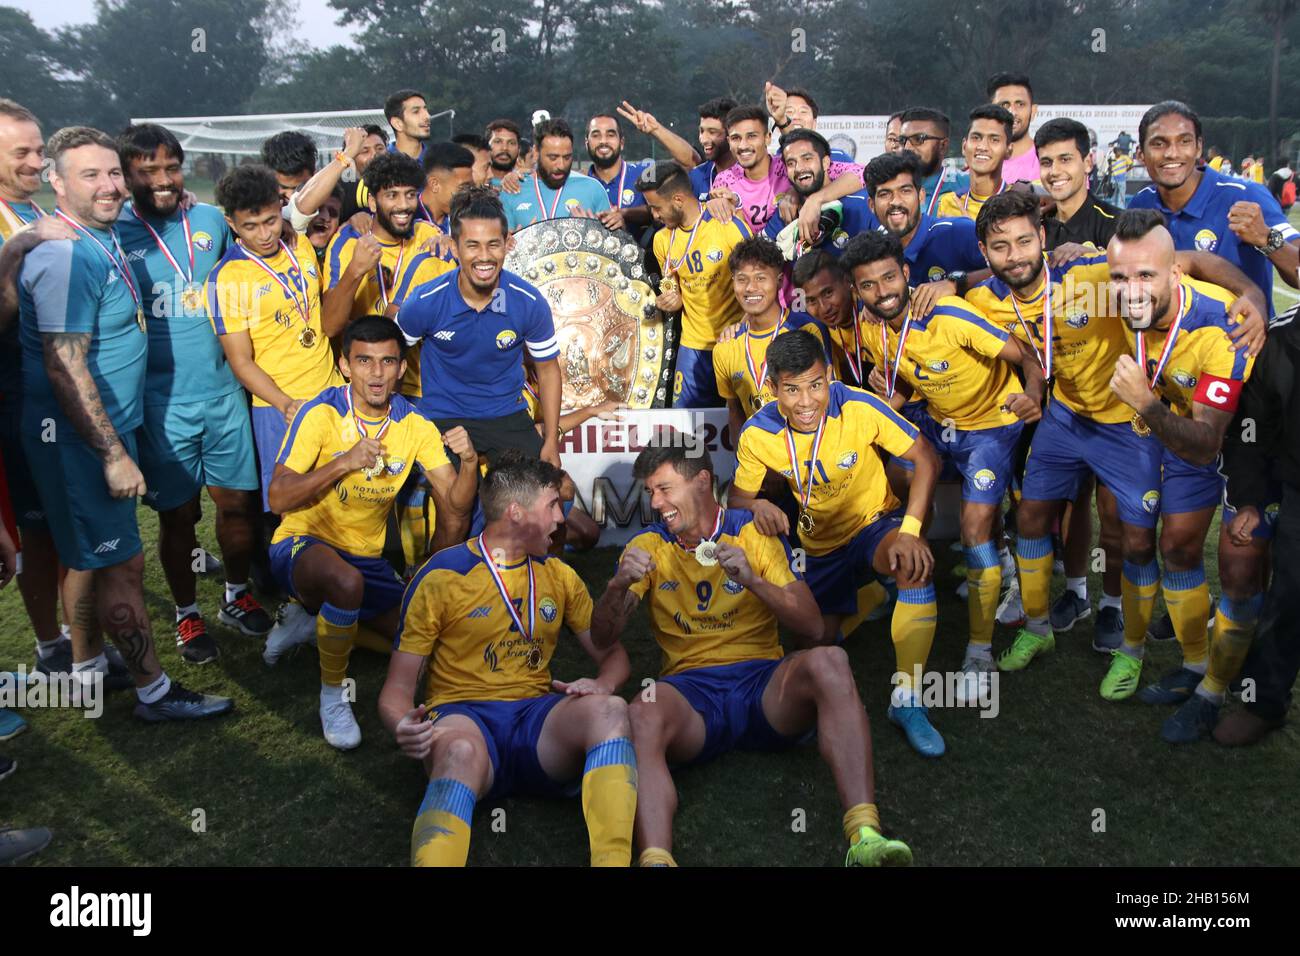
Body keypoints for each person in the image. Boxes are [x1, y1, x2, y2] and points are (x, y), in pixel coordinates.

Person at [963, 192, 1266, 693]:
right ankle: (1038, 630)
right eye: (1000, 246)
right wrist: (941, 286)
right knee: (1033, 517)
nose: (1014, 255)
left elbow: (1189, 260)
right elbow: (977, 294)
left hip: (1130, 425)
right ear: (985, 251)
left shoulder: (1096, 276)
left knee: (1140, 540)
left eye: (1024, 241)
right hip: (1063, 417)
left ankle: (1132, 648)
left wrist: (1254, 296)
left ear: (1042, 238)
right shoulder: (986, 300)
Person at [590, 441, 912, 867]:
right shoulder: (648, 545)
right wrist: (616, 587)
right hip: (691, 693)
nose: (657, 503)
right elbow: (602, 637)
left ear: (702, 481)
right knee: (643, 711)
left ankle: (865, 835)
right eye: (651, 492)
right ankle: (656, 859)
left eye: (665, 489)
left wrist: (754, 581)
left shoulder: (752, 531)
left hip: (763, 686)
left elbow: (814, 627)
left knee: (830, 660)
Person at [17, 127, 232, 720]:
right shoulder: (65, 255)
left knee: (90, 557)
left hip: (99, 429)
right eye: (91, 175)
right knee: (122, 563)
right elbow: (66, 363)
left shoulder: (98, 236)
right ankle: (154, 692)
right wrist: (112, 453)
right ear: (57, 182)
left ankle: (86, 670)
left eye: (114, 173)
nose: (110, 185)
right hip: (82, 438)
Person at [380, 453, 637, 867]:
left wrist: (603, 685)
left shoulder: (559, 575)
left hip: (537, 723)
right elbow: (395, 691)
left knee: (610, 710)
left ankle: (613, 861)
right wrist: (401, 724)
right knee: (460, 752)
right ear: (516, 513)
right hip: (463, 719)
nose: (561, 518)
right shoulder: (442, 576)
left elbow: (614, 658)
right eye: (553, 505)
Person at [844, 231, 1044, 701]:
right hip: (938, 420)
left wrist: (1033, 395)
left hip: (991, 427)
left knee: (975, 529)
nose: (883, 291)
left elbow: (1028, 353)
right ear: (858, 291)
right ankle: (909, 576)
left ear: (906, 274)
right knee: (892, 473)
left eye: (889, 278)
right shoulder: (871, 325)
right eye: (868, 285)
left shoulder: (950, 315)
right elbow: (910, 381)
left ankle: (978, 650)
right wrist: (883, 396)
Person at [726, 330, 946, 757]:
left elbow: (925, 458)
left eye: (815, 385)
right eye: (791, 389)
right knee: (815, 642)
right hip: (818, 544)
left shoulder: (858, 404)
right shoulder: (757, 434)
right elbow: (738, 499)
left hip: (873, 523)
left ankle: (907, 699)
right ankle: (867, 597)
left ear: (828, 377)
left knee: (911, 565)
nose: (806, 402)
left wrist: (911, 529)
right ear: (772, 389)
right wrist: (756, 508)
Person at [267, 317, 478, 749]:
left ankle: (313, 624)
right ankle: (333, 696)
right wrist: (343, 462)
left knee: (425, 646)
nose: (376, 374)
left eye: (387, 362)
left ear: (403, 368)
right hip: (302, 543)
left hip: (366, 558)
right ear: (345, 366)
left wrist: (470, 463)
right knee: (346, 583)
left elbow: (454, 505)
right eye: (364, 362)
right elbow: (279, 498)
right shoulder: (320, 412)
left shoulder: (415, 424)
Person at [115, 123, 269, 664]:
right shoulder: (115, 231)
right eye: (148, 169)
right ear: (127, 172)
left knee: (237, 506)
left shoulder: (207, 219)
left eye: (170, 167)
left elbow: (258, 249)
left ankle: (235, 593)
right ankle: (186, 615)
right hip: (162, 404)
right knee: (179, 517)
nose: (162, 179)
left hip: (226, 392)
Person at [1105, 210, 1254, 742]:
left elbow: (1208, 441)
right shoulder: (1122, 294)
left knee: (1232, 567)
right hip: (1169, 424)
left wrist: (1145, 403)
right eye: (1119, 278)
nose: (1131, 291)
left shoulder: (1220, 327)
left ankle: (1215, 692)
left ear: (1175, 276)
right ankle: (1192, 665)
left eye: (1146, 276)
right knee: (1171, 547)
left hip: (1241, 446)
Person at [208, 164, 346, 513]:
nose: (264, 234)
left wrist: (345, 158)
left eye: (270, 221)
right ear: (232, 225)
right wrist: (285, 404)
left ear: (279, 207)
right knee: (291, 507)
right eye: (250, 227)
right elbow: (240, 361)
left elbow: (310, 198)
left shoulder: (297, 243)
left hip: (331, 394)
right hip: (279, 409)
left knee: (342, 498)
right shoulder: (226, 278)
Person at [395, 186, 563, 467]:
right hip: (443, 417)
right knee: (453, 503)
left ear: (508, 243)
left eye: (493, 244)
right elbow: (389, 357)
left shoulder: (529, 302)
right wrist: (397, 420)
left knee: (545, 496)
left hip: (506, 415)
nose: (484, 256)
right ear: (454, 247)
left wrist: (550, 443)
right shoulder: (426, 301)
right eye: (472, 245)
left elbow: (548, 370)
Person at [1213, 305, 1299, 746]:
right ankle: (1264, 701)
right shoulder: (1281, 340)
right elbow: (1251, 432)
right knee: (1289, 594)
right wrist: (1249, 499)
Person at [1130, 101, 1299, 312]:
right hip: (1167, 342)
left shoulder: (1245, 195)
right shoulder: (1140, 204)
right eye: (1158, 144)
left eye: (1184, 141)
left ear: (1198, 147)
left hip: (1240, 342)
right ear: (1141, 154)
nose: (1172, 153)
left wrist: (1266, 238)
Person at [636, 160, 751, 409]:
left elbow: (758, 284)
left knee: (738, 420)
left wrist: (742, 329)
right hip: (692, 348)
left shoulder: (727, 226)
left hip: (733, 341)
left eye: (656, 208)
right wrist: (671, 299)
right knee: (686, 428)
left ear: (678, 200)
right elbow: (670, 284)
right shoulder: (661, 240)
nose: (654, 215)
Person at [712, 236, 828, 436]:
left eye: (760, 278)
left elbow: (828, 395)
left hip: (810, 450)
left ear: (780, 281)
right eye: (742, 279)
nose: (750, 288)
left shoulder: (807, 330)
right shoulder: (725, 347)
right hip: (761, 457)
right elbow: (735, 412)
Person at [863, 152, 986, 309]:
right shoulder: (875, 252)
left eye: (905, 190)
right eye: (885, 194)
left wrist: (956, 284)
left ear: (921, 196)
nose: (895, 201)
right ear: (871, 205)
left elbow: (1008, 270)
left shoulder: (957, 231)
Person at [762, 129, 878, 259]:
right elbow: (756, 257)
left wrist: (815, 200)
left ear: (825, 162)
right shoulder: (786, 209)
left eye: (807, 158)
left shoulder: (862, 205)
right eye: (791, 163)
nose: (799, 168)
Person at [498, 118, 611, 231]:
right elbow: (502, 244)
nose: (561, 165)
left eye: (567, 157)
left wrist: (593, 231)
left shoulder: (593, 189)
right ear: (536, 152)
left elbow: (612, 242)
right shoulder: (512, 190)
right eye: (553, 158)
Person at [1035, 117, 1121, 249]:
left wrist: (1096, 258)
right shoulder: (1032, 227)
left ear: (1088, 163)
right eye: (1046, 163)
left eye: (1065, 160)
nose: (1054, 171)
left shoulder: (1116, 224)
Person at [937, 105, 1013, 221]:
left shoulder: (1018, 202)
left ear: (1009, 150)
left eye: (994, 140)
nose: (982, 147)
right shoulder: (949, 203)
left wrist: (969, 230)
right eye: (976, 137)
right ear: (964, 146)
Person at [584, 113, 652, 238]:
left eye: (610, 135)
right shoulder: (579, 184)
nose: (603, 141)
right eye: (596, 135)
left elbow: (658, 211)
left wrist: (624, 213)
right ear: (586, 143)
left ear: (622, 142)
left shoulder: (644, 173)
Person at [897, 107, 960, 216]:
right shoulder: (885, 187)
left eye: (918, 139)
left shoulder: (965, 186)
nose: (907, 147)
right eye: (903, 140)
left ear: (943, 146)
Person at [988, 72, 1040, 186]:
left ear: (1033, 111)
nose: (1012, 112)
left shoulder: (1048, 161)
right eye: (1004, 105)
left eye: (1020, 104)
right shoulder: (978, 164)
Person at [416, 141, 475, 234]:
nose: (469, 195)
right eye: (463, 188)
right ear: (434, 184)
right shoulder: (406, 221)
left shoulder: (471, 219)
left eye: (471, 187)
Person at [384, 89, 431, 162]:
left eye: (426, 110)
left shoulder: (438, 162)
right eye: (416, 112)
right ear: (397, 123)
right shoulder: (381, 163)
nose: (427, 116)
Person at [485, 118, 522, 188]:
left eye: (511, 143)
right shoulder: (474, 184)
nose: (505, 148)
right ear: (486, 146)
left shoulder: (533, 184)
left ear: (519, 149)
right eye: (498, 141)